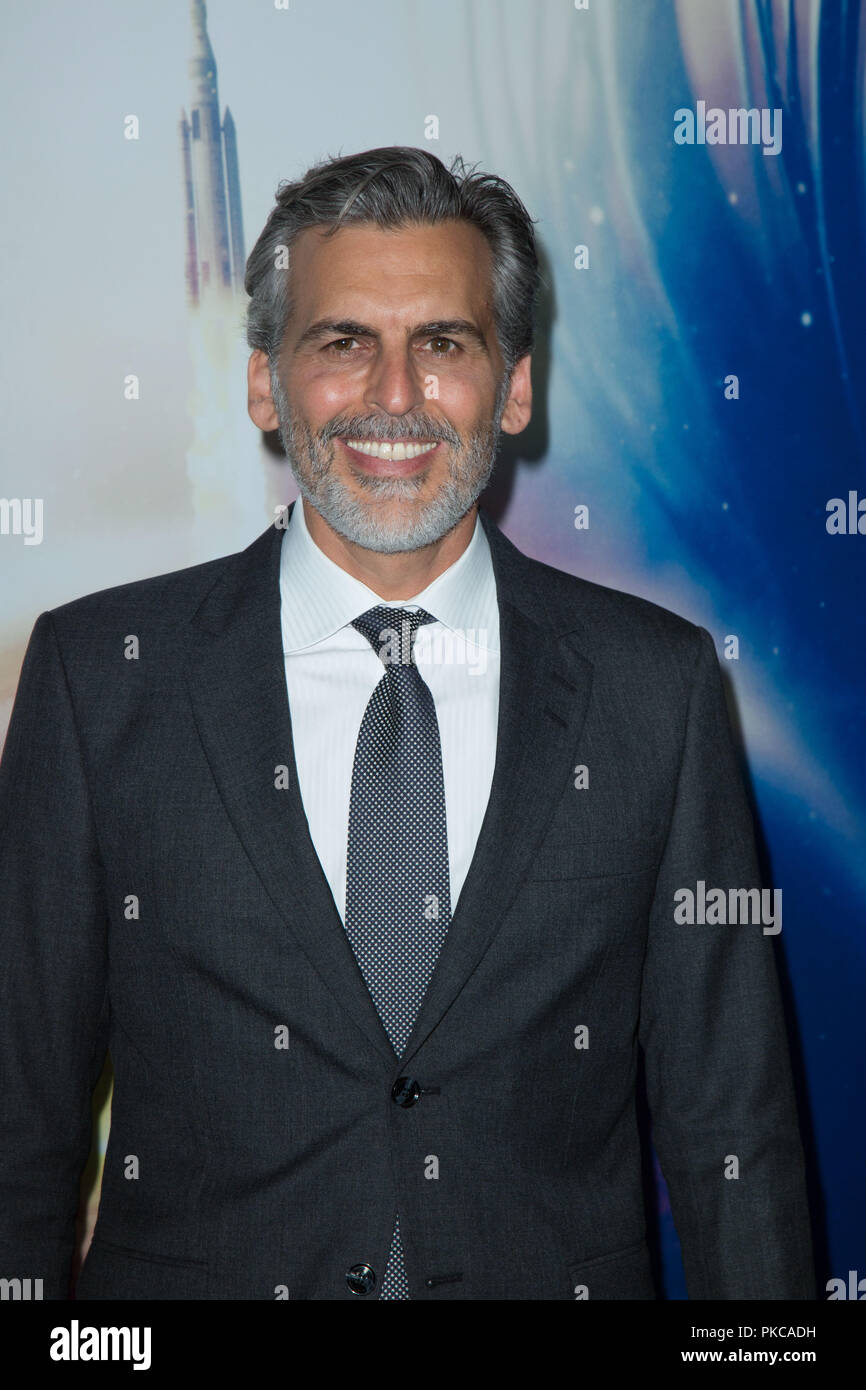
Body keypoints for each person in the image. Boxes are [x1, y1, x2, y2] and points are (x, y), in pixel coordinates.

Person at [0, 146, 814, 1300]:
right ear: (262, 384)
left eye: (443, 343)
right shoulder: (100, 678)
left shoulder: (655, 688)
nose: (393, 396)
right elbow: (18, 1123)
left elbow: (734, 1133)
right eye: (342, 343)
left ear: (515, 387)